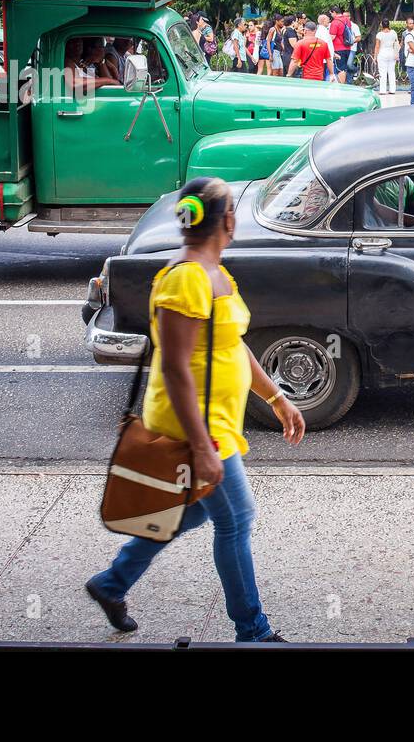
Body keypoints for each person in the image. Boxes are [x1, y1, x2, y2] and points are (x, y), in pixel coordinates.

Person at [85, 177, 305, 642]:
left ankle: (111, 583)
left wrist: (277, 397)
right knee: (236, 519)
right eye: (233, 209)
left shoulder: (216, 273)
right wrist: (202, 446)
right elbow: (177, 371)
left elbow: (232, 344)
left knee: (197, 513)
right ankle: (254, 631)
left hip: (215, 423)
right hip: (196, 427)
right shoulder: (186, 278)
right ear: (225, 220)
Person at [374, 19, 399, 95]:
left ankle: (382, 90)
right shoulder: (393, 33)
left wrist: (375, 56)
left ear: (382, 25)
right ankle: (392, 90)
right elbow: (396, 43)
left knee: (382, 72)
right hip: (392, 52)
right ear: (389, 24)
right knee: (391, 72)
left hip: (382, 53)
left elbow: (377, 46)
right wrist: (396, 53)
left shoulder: (379, 34)